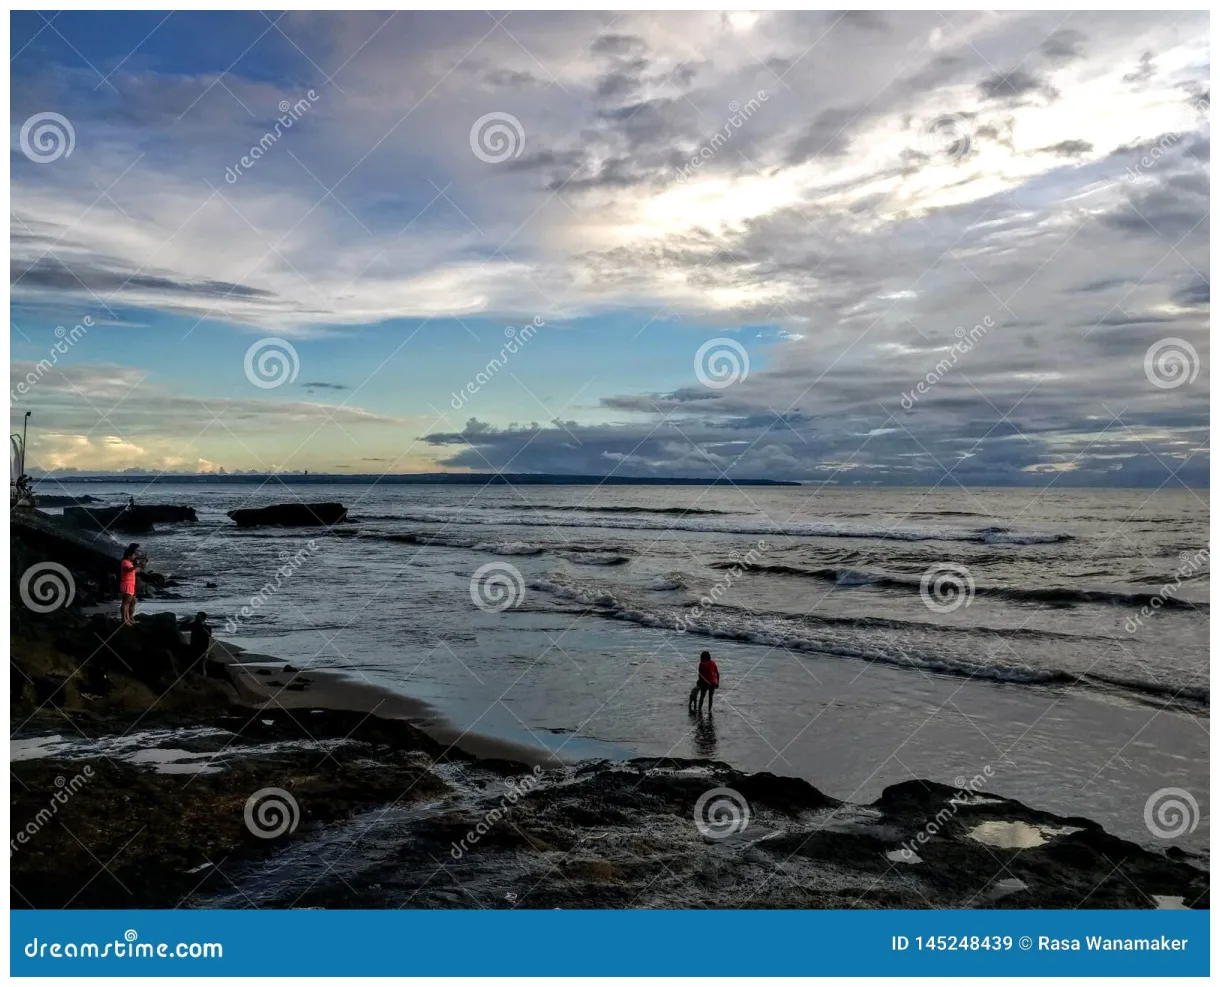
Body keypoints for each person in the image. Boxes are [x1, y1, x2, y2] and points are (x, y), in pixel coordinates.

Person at [119, 543, 142, 626]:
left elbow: (133, 571)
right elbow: (127, 570)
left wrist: (136, 568)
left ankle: (128, 618)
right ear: (129, 556)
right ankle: (124, 620)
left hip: (130, 584)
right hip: (127, 584)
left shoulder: (129, 562)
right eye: (133, 555)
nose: (134, 556)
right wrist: (135, 566)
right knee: (126, 603)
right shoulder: (125, 562)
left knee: (131, 602)